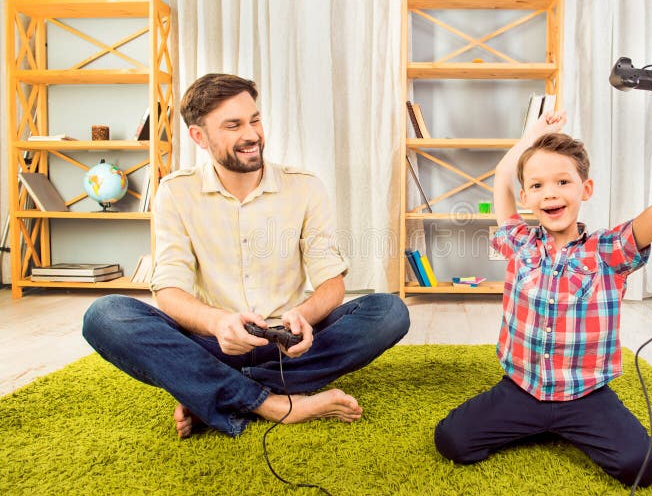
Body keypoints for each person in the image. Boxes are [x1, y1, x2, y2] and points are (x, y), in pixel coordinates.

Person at [83, 73, 410, 438]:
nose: (252, 135)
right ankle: (275, 404)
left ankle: (211, 391)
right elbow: (169, 291)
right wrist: (219, 323)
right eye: (234, 125)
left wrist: (302, 316)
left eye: (255, 120)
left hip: (287, 344)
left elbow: (331, 282)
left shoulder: (305, 187)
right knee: (105, 315)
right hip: (212, 341)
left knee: (389, 312)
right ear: (199, 137)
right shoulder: (175, 193)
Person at [434, 74, 652, 487]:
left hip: (585, 398)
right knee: (451, 440)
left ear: (586, 188)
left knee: (642, 467)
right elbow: (500, 179)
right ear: (526, 198)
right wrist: (528, 138)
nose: (550, 193)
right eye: (537, 186)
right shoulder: (520, 242)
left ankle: (564, 426)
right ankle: (535, 424)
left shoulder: (609, 251)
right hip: (520, 390)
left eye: (563, 182)